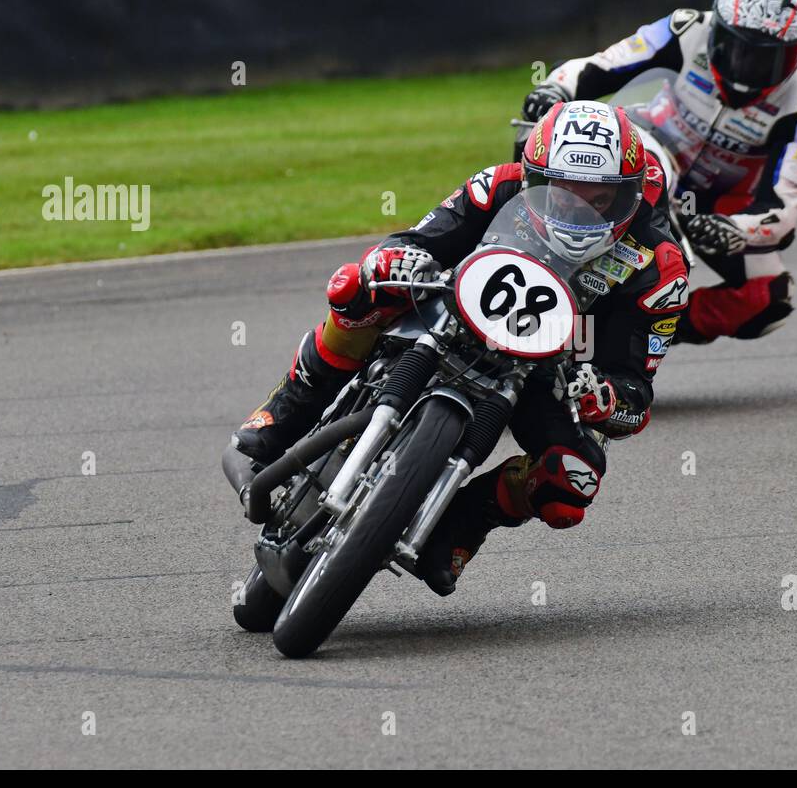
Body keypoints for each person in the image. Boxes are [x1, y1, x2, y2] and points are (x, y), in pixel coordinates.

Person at [232, 101, 689, 595]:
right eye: (563, 195)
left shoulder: (660, 268)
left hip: (550, 370)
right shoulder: (496, 184)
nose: (577, 212)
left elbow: (636, 394)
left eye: (597, 200)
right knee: (354, 289)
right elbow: (414, 240)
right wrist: (395, 263)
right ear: (535, 178)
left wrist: (604, 396)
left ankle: (463, 525)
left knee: (572, 481)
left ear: (629, 195)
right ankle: (282, 412)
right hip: (451, 309)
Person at [521, 0, 797, 345]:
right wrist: (555, 88)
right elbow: (605, 64)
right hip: (649, 146)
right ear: (717, 28)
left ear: (795, 54)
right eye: (733, 48)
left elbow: (783, 207)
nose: (743, 66)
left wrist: (737, 229)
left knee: (767, 298)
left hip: (717, 208)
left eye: (762, 59)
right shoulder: (686, 28)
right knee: (645, 169)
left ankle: (647, 327)